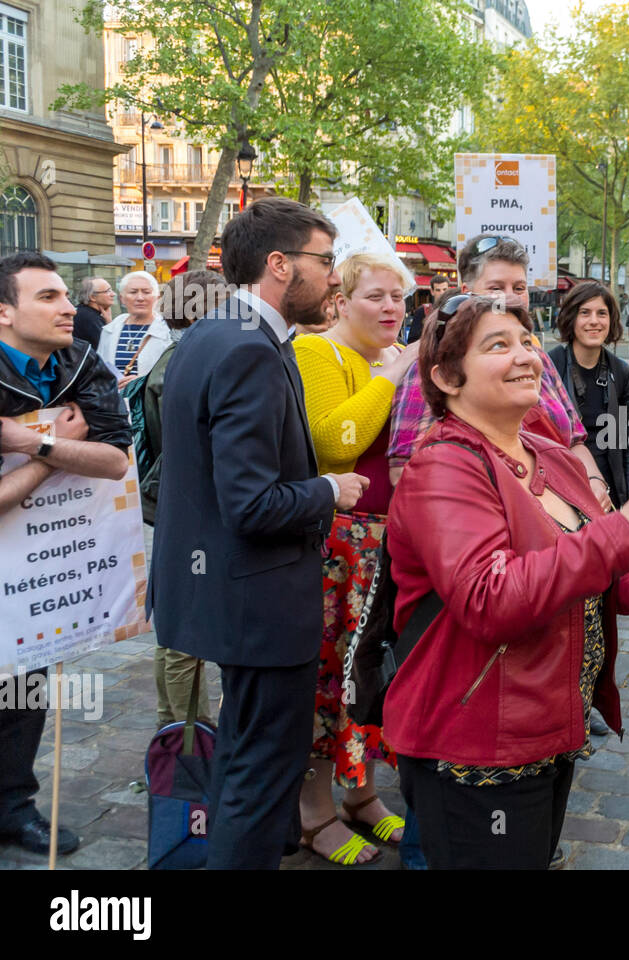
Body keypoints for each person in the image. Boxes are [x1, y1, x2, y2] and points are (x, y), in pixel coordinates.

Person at [386, 294, 629, 869]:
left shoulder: (548, 452)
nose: (525, 357)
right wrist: (621, 540)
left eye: (526, 342)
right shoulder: (444, 466)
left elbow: (571, 560)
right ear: (446, 377)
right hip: (478, 739)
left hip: (550, 725)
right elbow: (491, 599)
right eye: (497, 346)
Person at [148, 197, 368, 870]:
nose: (335, 278)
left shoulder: (216, 332)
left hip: (227, 596)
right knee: (257, 771)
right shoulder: (248, 348)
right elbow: (250, 503)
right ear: (279, 265)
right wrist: (331, 489)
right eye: (325, 261)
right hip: (259, 605)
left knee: (251, 759)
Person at [0, 253, 132, 858]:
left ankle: (12, 807)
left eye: (66, 296)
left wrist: (35, 442)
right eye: (48, 297)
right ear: (5, 311)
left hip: (39, 570)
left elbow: (115, 460)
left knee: (24, 689)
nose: (69, 308)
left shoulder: (81, 364)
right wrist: (59, 449)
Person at [292, 252, 421, 865]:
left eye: (398, 297)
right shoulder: (319, 353)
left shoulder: (382, 360)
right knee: (328, 680)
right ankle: (313, 814)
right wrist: (394, 374)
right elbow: (335, 441)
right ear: (341, 300)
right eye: (376, 296)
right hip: (339, 547)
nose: (392, 308)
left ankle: (362, 796)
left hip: (388, 543)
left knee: (368, 680)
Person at [386, 235, 610, 512]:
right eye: (496, 287)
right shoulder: (439, 359)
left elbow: (573, 438)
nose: (510, 297)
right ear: (466, 292)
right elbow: (404, 470)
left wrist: (594, 480)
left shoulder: (536, 356)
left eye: (519, 287)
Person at [144, 270, 232, 730]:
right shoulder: (188, 359)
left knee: (176, 629)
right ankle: (189, 739)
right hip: (189, 508)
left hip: (175, 507)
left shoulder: (175, 355)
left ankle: (171, 732)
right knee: (186, 635)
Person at [548, 280, 629, 509]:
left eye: (602, 313)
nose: (594, 321)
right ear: (571, 318)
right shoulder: (550, 366)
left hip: (608, 490)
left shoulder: (621, 372)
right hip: (561, 486)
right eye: (585, 313)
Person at [98, 271, 170, 384]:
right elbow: (99, 370)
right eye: (133, 292)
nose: (140, 298)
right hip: (113, 400)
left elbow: (176, 374)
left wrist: (143, 383)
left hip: (148, 400)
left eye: (146, 292)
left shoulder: (169, 332)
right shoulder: (109, 330)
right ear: (122, 298)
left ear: (157, 297)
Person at [73, 276, 114, 349]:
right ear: (92, 297)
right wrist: (110, 324)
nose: (113, 294)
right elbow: (109, 348)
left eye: (111, 290)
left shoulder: (83, 312)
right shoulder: (89, 318)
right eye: (107, 291)